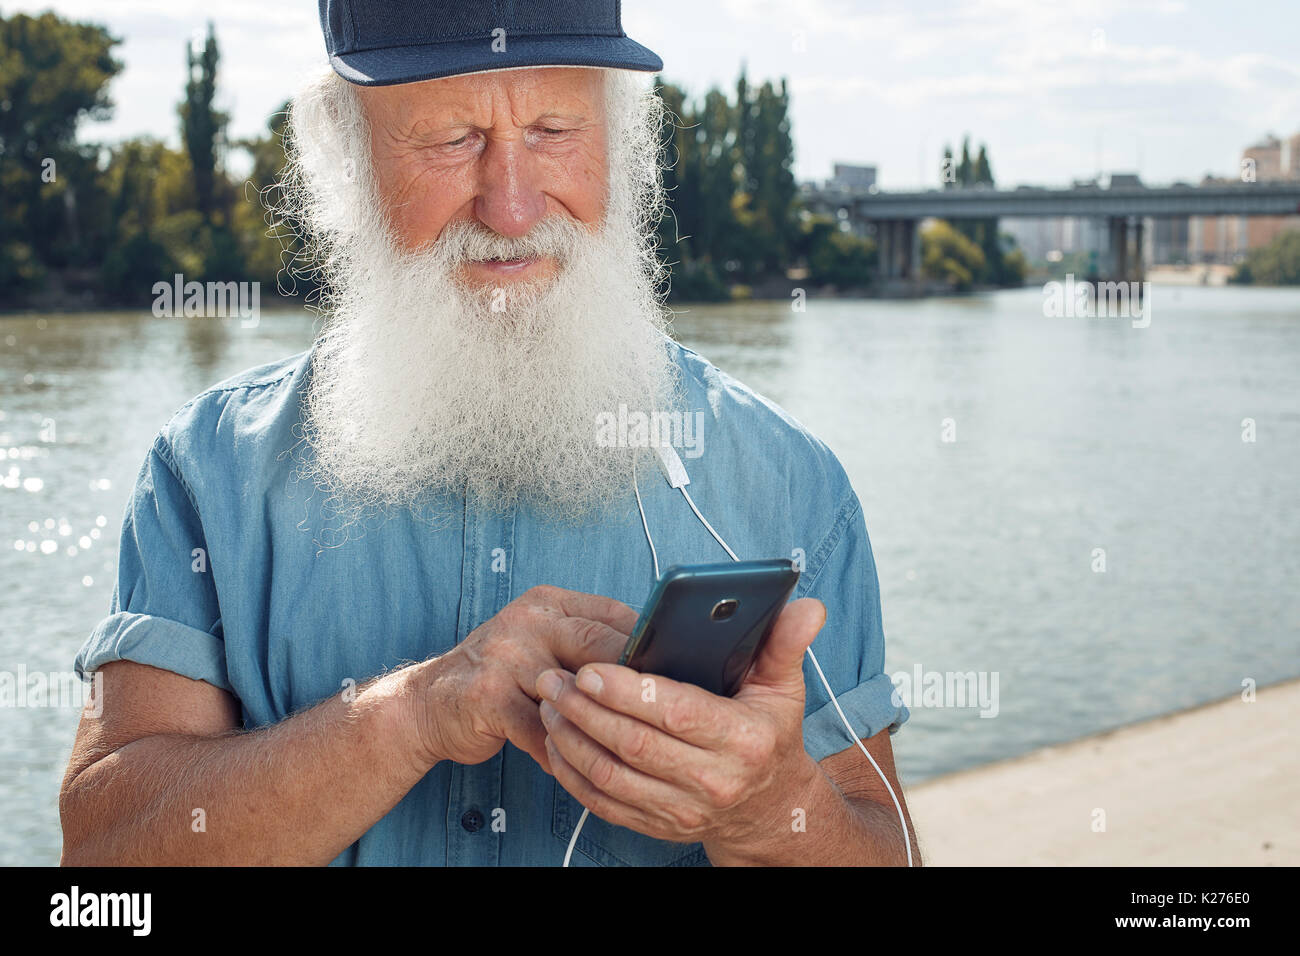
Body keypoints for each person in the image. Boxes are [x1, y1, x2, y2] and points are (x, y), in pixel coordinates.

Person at [59, 0, 916, 866]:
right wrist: (412, 716)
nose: (510, 207)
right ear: (345, 161)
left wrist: (770, 811)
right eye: (449, 139)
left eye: (553, 129)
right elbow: (102, 869)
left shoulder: (792, 483)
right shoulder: (206, 474)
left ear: (620, 145)